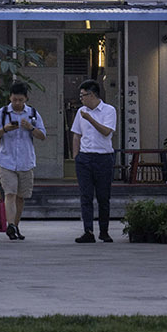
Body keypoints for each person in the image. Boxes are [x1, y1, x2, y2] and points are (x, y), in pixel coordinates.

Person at [0, 82, 46, 241]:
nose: (17, 103)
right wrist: (5, 129)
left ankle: (15, 226)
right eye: (14, 100)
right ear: (10, 98)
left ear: (26, 98)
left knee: (21, 196)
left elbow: (42, 136)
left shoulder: (32, 113)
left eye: (20, 100)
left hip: (26, 161)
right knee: (10, 193)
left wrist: (30, 128)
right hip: (7, 161)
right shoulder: (2, 113)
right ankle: (11, 225)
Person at [70, 79, 118, 243]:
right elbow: (76, 134)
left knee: (103, 197)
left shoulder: (108, 110)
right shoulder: (81, 112)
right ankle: (88, 231)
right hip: (85, 157)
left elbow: (106, 131)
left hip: (103, 157)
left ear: (92, 95)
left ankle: (104, 231)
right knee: (86, 196)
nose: (81, 99)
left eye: (83, 95)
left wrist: (90, 119)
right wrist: (76, 156)